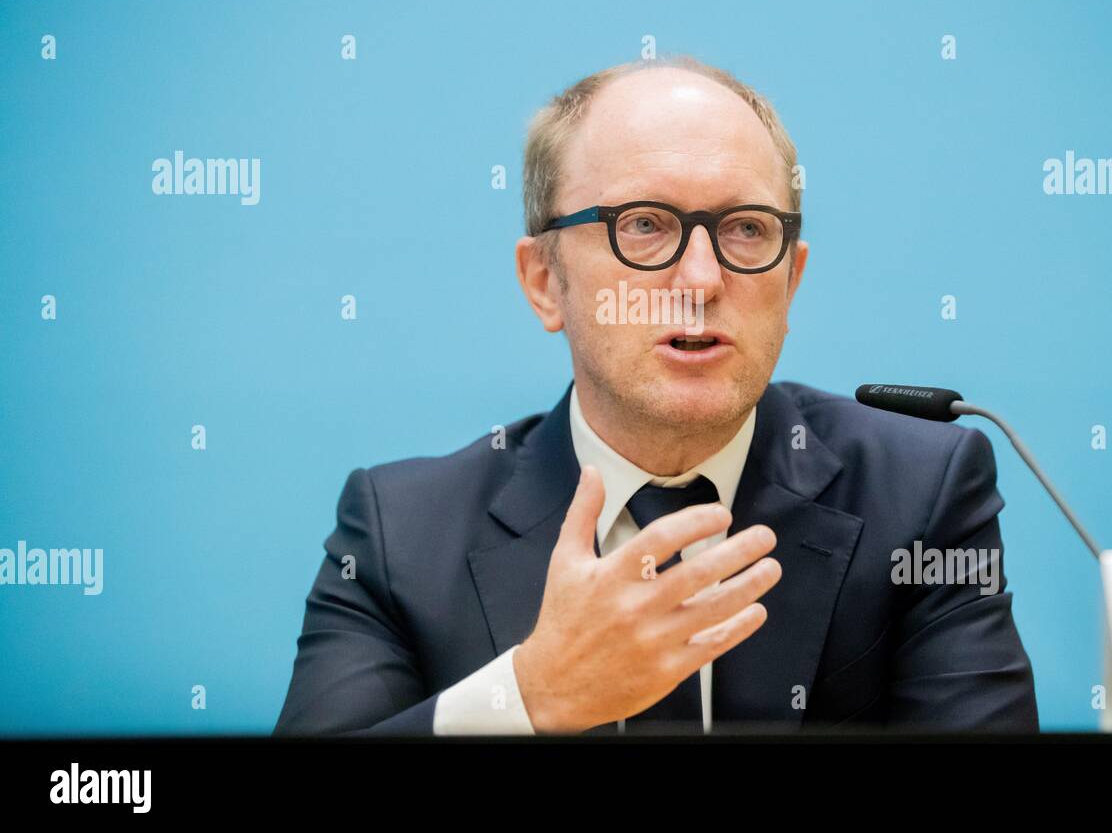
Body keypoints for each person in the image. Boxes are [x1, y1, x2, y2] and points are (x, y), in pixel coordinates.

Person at [273, 54, 1038, 736]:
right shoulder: (400, 536)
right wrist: (529, 699)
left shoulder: (922, 496)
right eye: (642, 225)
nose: (702, 281)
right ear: (546, 282)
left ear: (791, 281)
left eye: (744, 230)